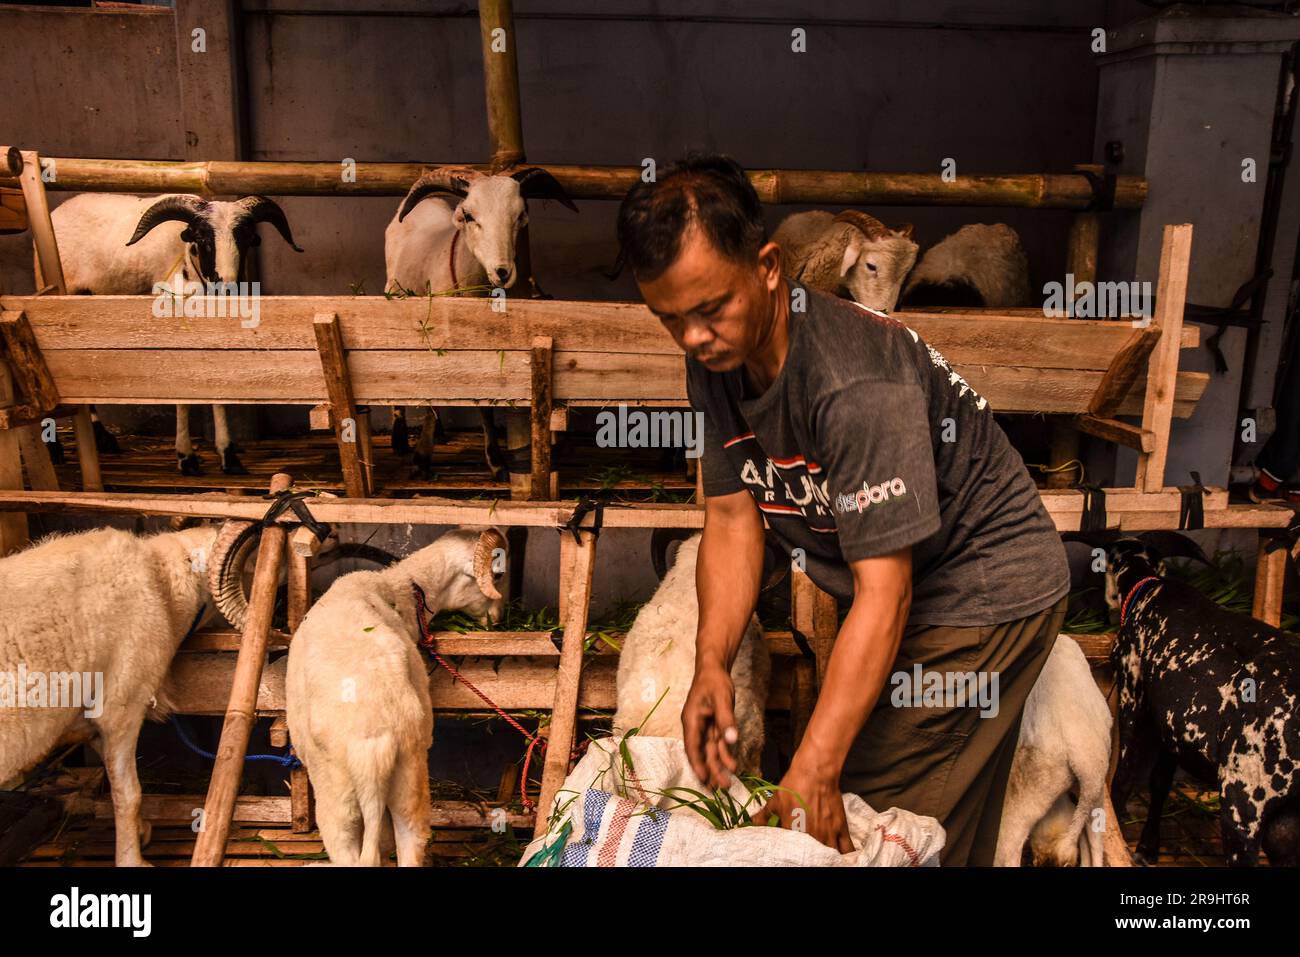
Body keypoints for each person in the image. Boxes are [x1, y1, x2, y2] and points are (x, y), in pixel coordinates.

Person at [614, 153, 1071, 866]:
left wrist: (817, 766)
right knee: (900, 810)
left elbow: (887, 594)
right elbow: (734, 519)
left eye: (710, 310)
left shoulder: (854, 383)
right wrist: (710, 662)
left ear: (768, 268)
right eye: (671, 319)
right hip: (905, 588)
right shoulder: (715, 360)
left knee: (860, 815)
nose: (694, 338)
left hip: (983, 588)